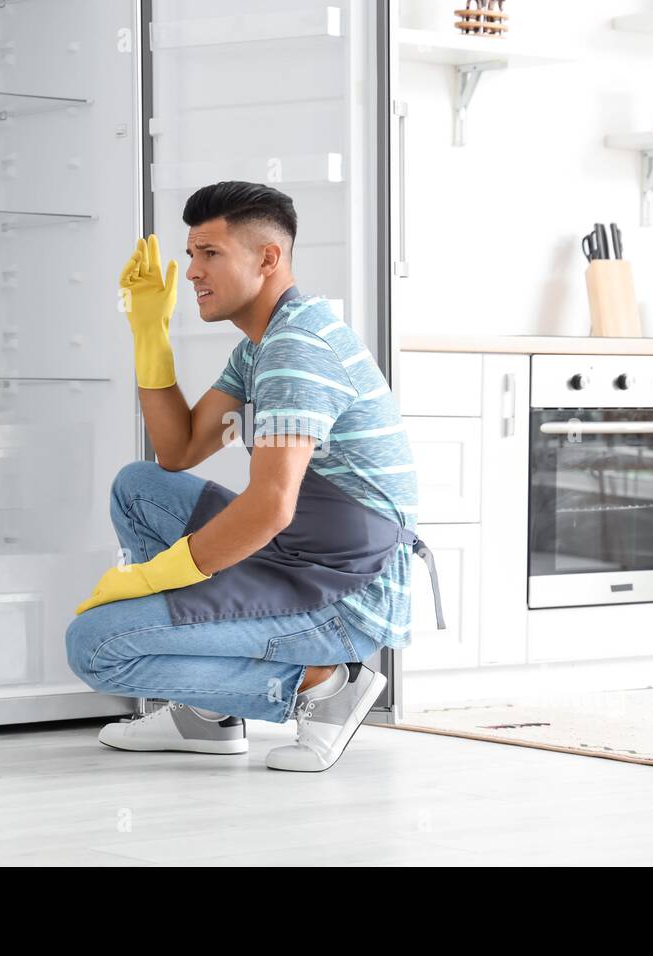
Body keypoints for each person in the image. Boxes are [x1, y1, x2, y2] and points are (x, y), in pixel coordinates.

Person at [65, 181, 443, 772]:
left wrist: (149, 579)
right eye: (191, 253)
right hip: (300, 553)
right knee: (140, 489)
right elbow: (180, 450)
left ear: (268, 259)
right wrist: (148, 334)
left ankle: (322, 684)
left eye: (209, 253)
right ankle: (207, 715)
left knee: (96, 646)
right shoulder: (263, 344)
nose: (191, 271)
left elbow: (270, 507)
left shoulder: (297, 348)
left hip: (343, 589)